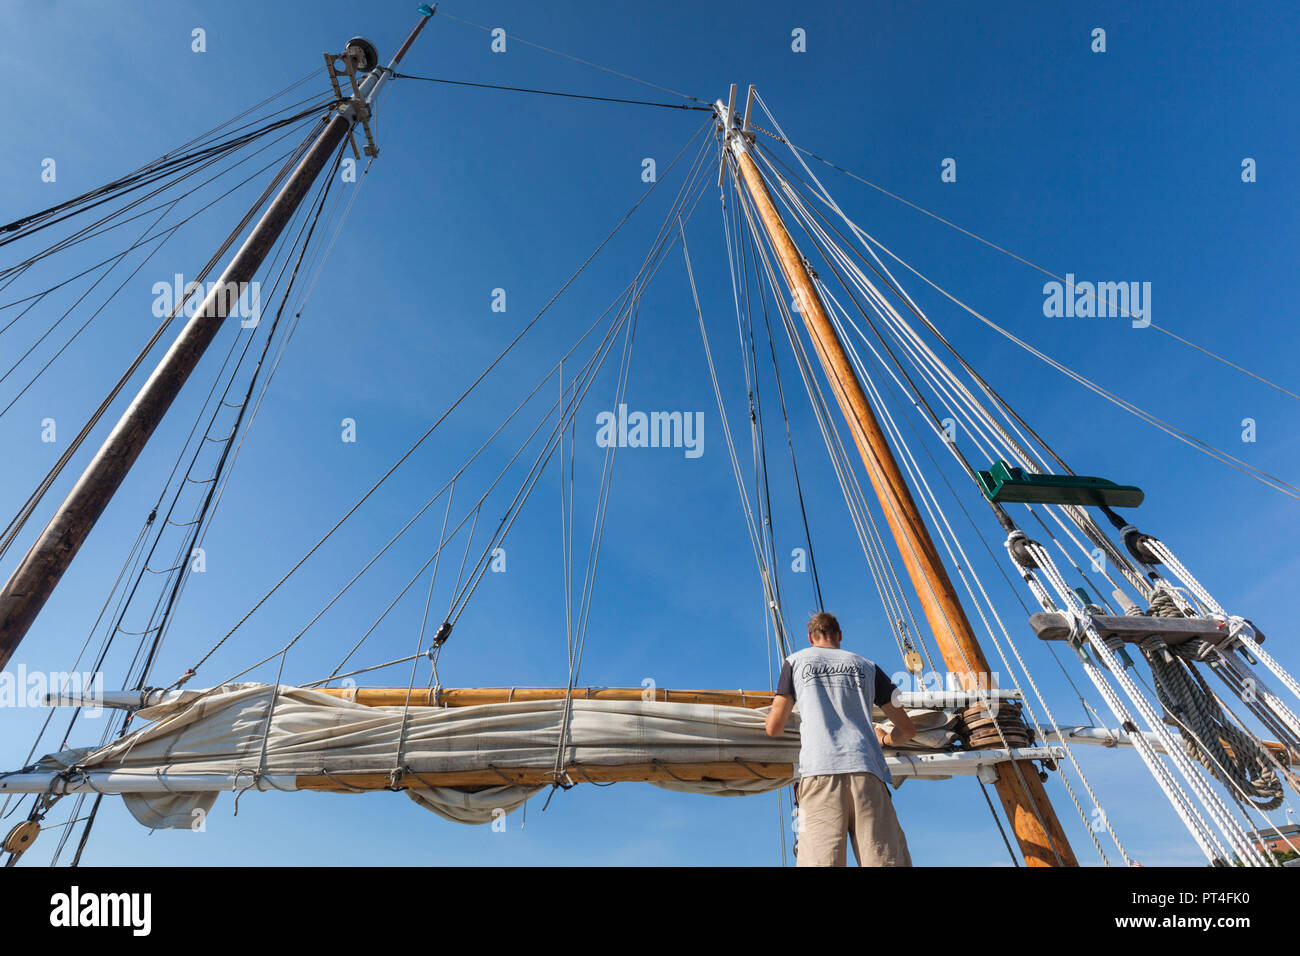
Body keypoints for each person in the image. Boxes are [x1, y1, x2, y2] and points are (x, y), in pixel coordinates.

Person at [765, 611, 915, 866]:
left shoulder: (795, 661)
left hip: (819, 772)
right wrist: (886, 739)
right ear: (839, 635)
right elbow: (908, 729)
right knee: (885, 859)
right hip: (867, 772)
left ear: (810, 638)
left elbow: (774, 728)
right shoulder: (868, 667)